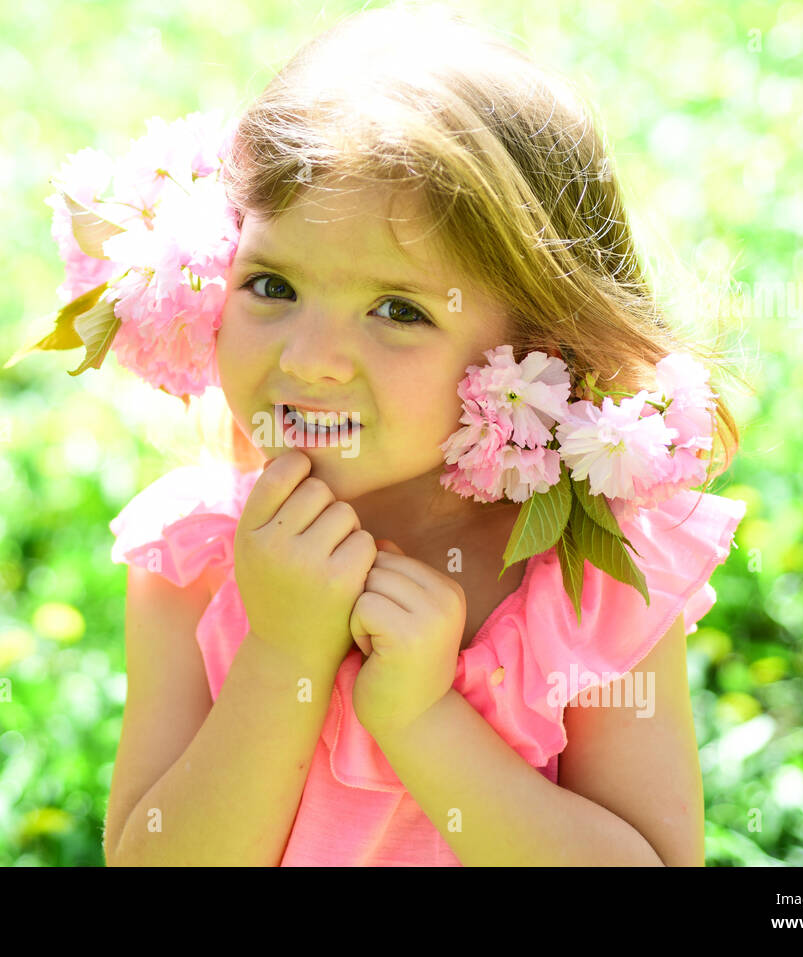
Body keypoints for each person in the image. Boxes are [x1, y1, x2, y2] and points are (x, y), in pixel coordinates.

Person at [102, 2, 747, 866]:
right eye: (273, 286)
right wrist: (282, 650)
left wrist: (420, 719)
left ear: (531, 352)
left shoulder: (585, 581)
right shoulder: (201, 559)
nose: (313, 357)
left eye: (398, 309)